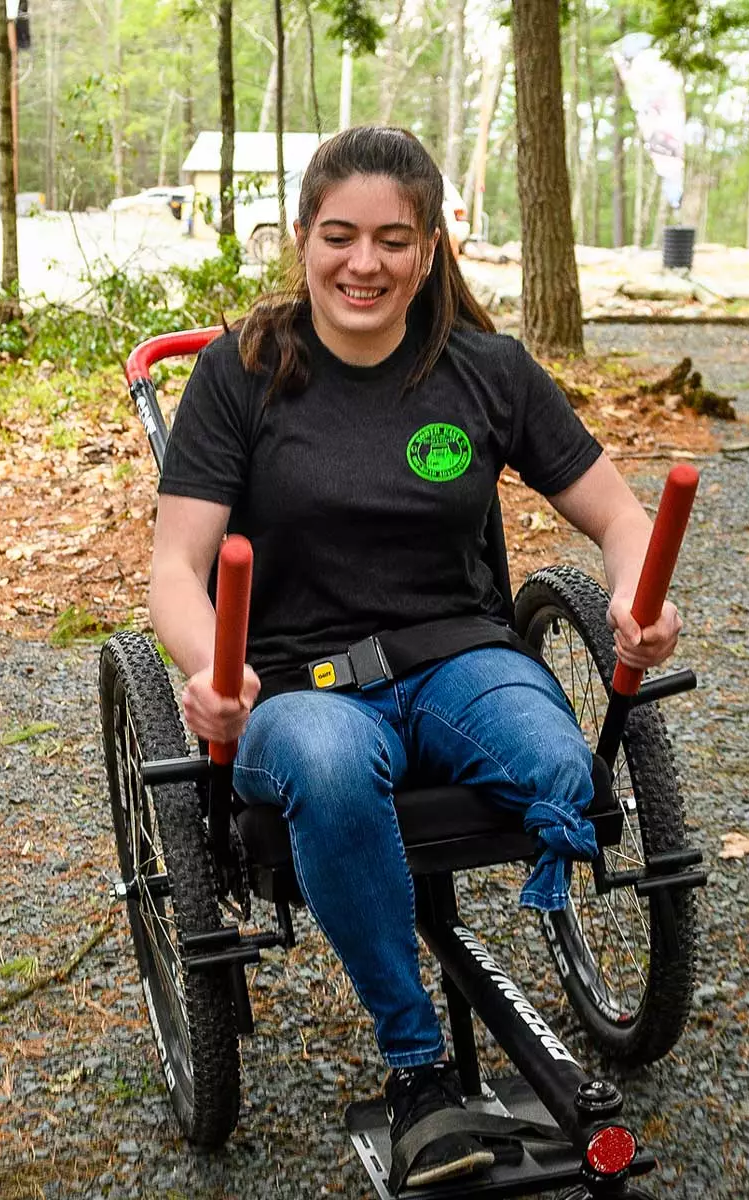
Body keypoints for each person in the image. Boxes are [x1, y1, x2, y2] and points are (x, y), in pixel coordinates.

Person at [147, 127, 681, 1190]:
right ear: (301, 239)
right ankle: (416, 1070)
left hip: (458, 659)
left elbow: (621, 518)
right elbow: (173, 568)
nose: (365, 263)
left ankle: (519, 943)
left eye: (394, 239)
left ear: (430, 249)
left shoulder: (485, 371)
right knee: (338, 774)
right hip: (302, 685)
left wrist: (633, 596)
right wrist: (212, 671)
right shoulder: (239, 374)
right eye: (340, 236)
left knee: (566, 773)